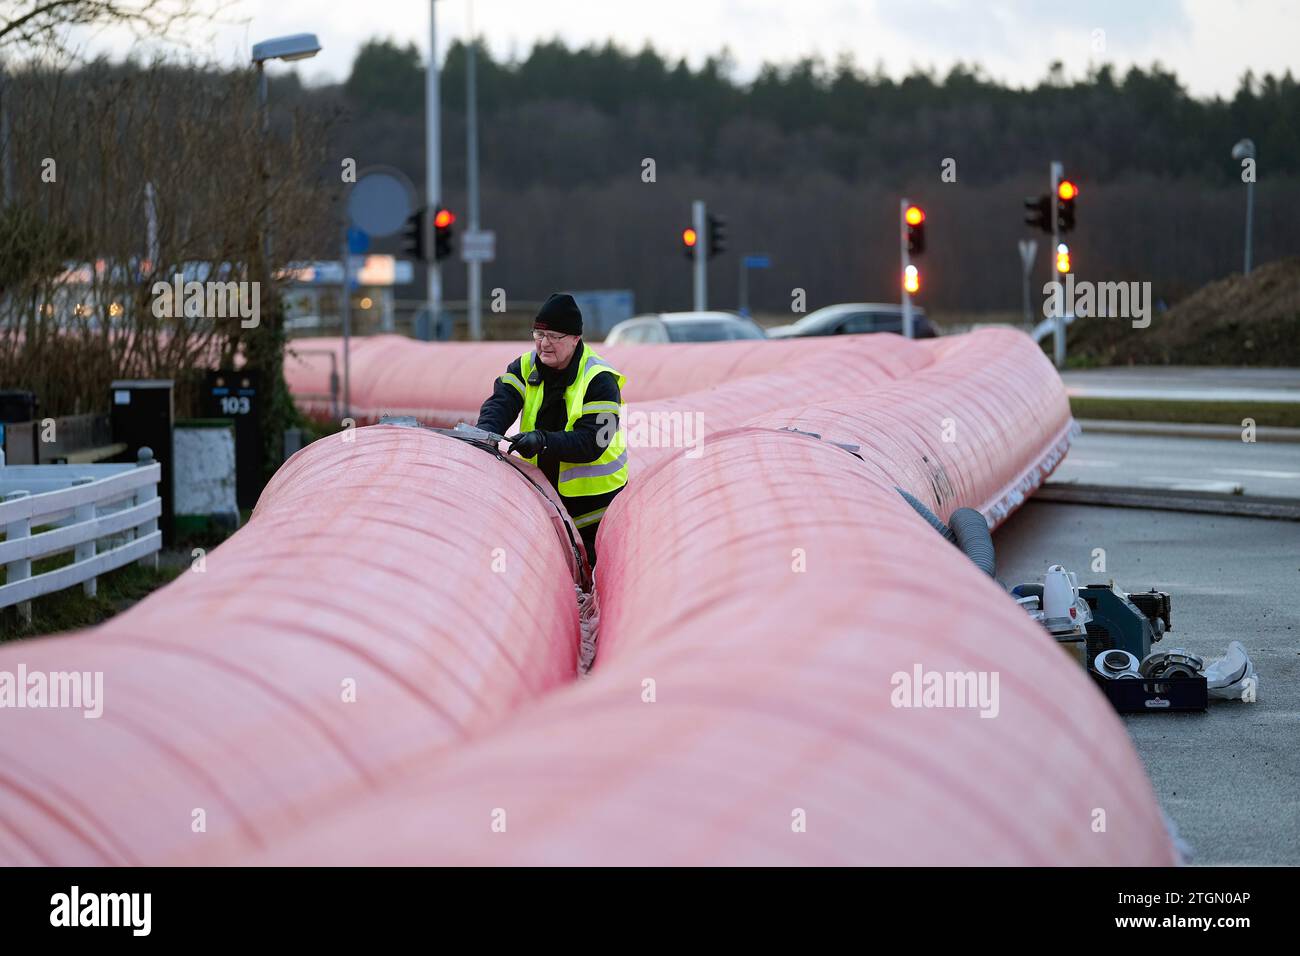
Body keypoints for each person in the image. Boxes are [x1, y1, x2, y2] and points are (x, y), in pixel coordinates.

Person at [475, 293, 628, 565]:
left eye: (554, 336)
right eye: (538, 333)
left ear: (575, 338)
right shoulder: (524, 367)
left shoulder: (600, 380)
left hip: (595, 508)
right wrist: (482, 435)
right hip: (546, 495)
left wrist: (543, 441)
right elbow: (501, 402)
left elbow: (594, 442)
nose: (544, 344)